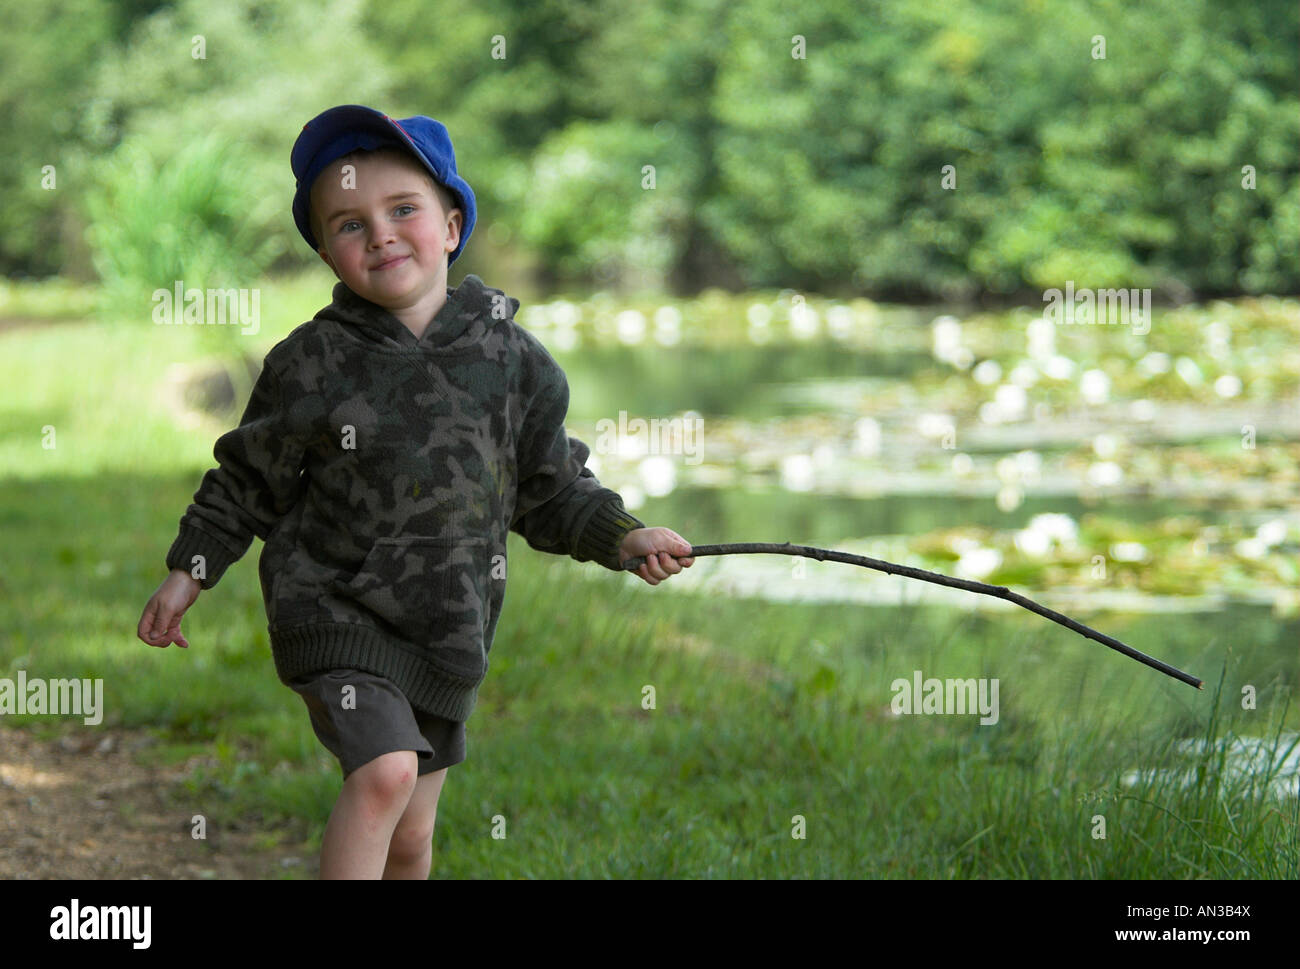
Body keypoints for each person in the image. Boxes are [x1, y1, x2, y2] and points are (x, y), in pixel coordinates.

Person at [136, 104, 694, 879]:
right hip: (332, 607)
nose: (381, 234)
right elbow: (247, 477)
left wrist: (623, 536)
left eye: (403, 210)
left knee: (411, 836)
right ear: (328, 253)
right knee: (385, 773)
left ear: (453, 224)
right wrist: (189, 567)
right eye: (349, 224)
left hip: (449, 625)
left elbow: (551, 486)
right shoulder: (312, 362)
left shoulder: (512, 360)